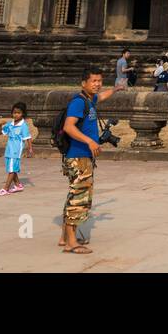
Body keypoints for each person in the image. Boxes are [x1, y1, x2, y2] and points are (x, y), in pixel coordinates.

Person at [58, 68, 117, 255]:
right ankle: (71, 243)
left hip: (83, 157)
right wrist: (90, 141)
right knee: (78, 198)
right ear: (83, 83)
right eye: (93, 81)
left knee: (75, 195)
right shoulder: (78, 102)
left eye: (100, 80)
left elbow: (102, 97)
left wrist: (116, 89)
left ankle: (64, 237)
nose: (97, 84)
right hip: (78, 157)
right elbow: (69, 127)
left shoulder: (90, 100)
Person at [0, 102, 34, 195]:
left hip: (16, 151)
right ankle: (18, 185)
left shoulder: (23, 126)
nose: (16, 115)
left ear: (23, 114)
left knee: (12, 169)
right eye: (14, 112)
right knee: (11, 168)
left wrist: (30, 149)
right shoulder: (10, 124)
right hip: (9, 150)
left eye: (18, 113)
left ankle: (6, 188)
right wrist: (0, 125)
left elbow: (28, 138)